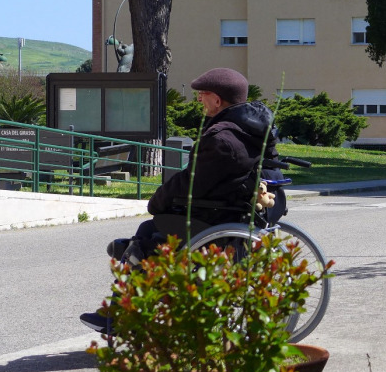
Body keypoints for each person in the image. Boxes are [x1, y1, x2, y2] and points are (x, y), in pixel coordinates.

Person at [80, 67, 277, 333]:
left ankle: (121, 315)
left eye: (203, 94)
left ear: (217, 100)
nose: (199, 99)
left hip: (212, 220)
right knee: (149, 232)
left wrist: (158, 202)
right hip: (229, 212)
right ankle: (133, 307)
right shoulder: (250, 131)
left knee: (147, 234)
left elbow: (190, 182)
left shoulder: (221, 139)